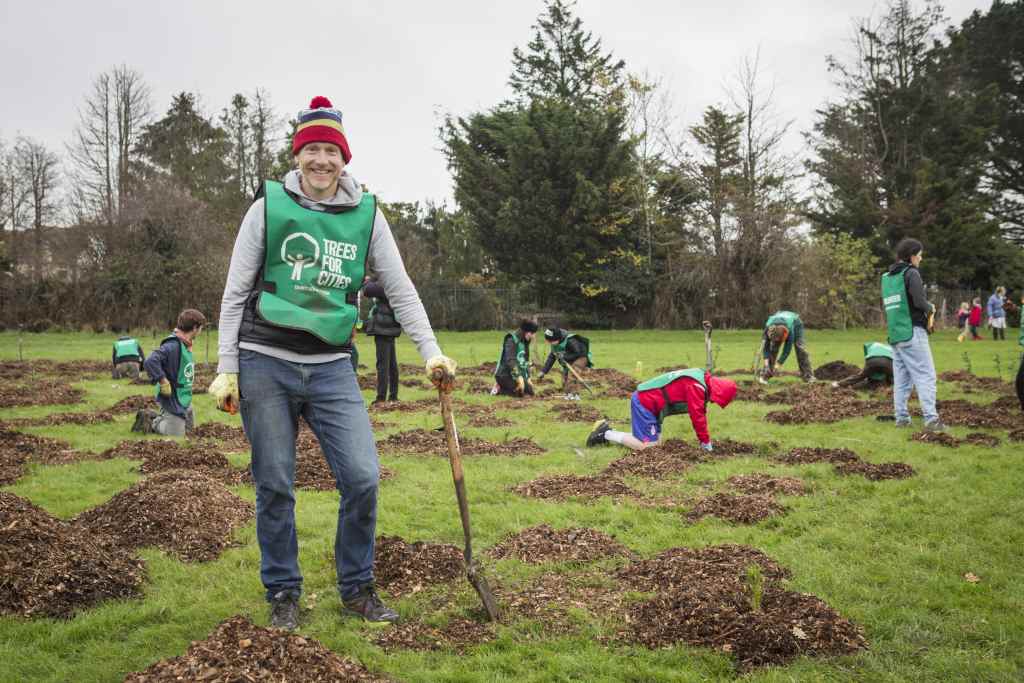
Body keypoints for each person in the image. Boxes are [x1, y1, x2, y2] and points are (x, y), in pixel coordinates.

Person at [207, 96, 456, 630]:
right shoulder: (268, 207)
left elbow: (402, 290)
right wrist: (227, 366)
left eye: (331, 151)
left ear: (344, 158)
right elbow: (233, 294)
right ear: (298, 155)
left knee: (363, 477)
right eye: (312, 150)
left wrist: (431, 352)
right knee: (274, 483)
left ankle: (357, 588)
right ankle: (283, 592)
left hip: (331, 365)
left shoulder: (367, 214)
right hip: (264, 361)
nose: (321, 161)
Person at [585, 368, 737, 451]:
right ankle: (605, 433)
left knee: (656, 445)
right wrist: (705, 443)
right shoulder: (697, 386)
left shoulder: (702, 377)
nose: (711, 402)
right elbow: (698, 417)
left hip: (653, 404)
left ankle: (609, 432)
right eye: (715, 400)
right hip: (645, 402)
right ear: (718, 392)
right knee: (647, 448)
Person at [881, 238, 944, 431]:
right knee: (926, 376)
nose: (921, 259)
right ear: (911, 256)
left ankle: (901, 419)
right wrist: (930, 307)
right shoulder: (912, 273)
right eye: (920, 255)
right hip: (913, 332)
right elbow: (918, 301)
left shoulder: (886, 277)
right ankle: (932, 421)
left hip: (895, 335)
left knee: (902, 380)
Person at [133, 309, 205, 436]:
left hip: (183, 398)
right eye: (201, 328)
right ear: (195, 328)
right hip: (171, 398)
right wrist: (163, 380)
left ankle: (168, 417)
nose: (201, 331)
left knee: (189, 433)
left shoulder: (185, 343)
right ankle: (151, 420)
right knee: (175, 435)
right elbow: (150, 361)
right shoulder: (172, 345)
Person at [362, 277, 402, 403]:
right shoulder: (395, 282)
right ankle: (393, 396)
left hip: (383, 328)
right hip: (390, 327)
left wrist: (368, 280)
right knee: (391, 364)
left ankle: (381, 398)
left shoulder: (385, 283)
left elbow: (367, 290)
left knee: (383, 364)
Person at [758, 310, 814, 384]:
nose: (778, 341)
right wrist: (766, 364)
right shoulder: (768, 329)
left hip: (796, 323)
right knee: (773, 348)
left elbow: (786, 351)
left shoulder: (789, 331)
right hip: (779, 321)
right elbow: (766, 348)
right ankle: (766, 374)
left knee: (800, 349)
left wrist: (777, 366)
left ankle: (808, 376)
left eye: (779, 340)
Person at [537, 327, 592, 400]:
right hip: (568, 359)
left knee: (572, 374)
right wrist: (543, 371)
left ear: (557, 338)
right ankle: (568, 394)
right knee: (564, 378)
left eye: (550, 341)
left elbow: (578, 352)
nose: (549, 343)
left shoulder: (570, 340)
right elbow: (552, 357)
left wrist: (564, 356)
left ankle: (575, 395)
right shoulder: (554, 344)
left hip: (581, 357)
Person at [493, 320, 537, 397]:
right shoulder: (511, 340)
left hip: (515, 375)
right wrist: (519, 377)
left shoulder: (525, 341)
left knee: (530, 392)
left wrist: (528, 378)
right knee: (520, 393)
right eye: (532, 333)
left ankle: (504, 388)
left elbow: (524, 361)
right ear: (525, 332)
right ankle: (498, 390)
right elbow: (510, 360)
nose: (533, 336)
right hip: (504, 375)